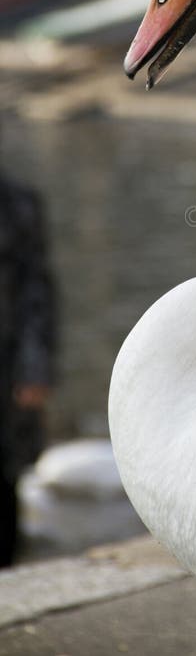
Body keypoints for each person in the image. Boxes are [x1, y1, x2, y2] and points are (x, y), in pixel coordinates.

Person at [0, 172, 56, 567]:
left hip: (7, 363)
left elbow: (37, 289)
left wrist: (35, 369)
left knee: (6, 474)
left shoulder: (16, 201)